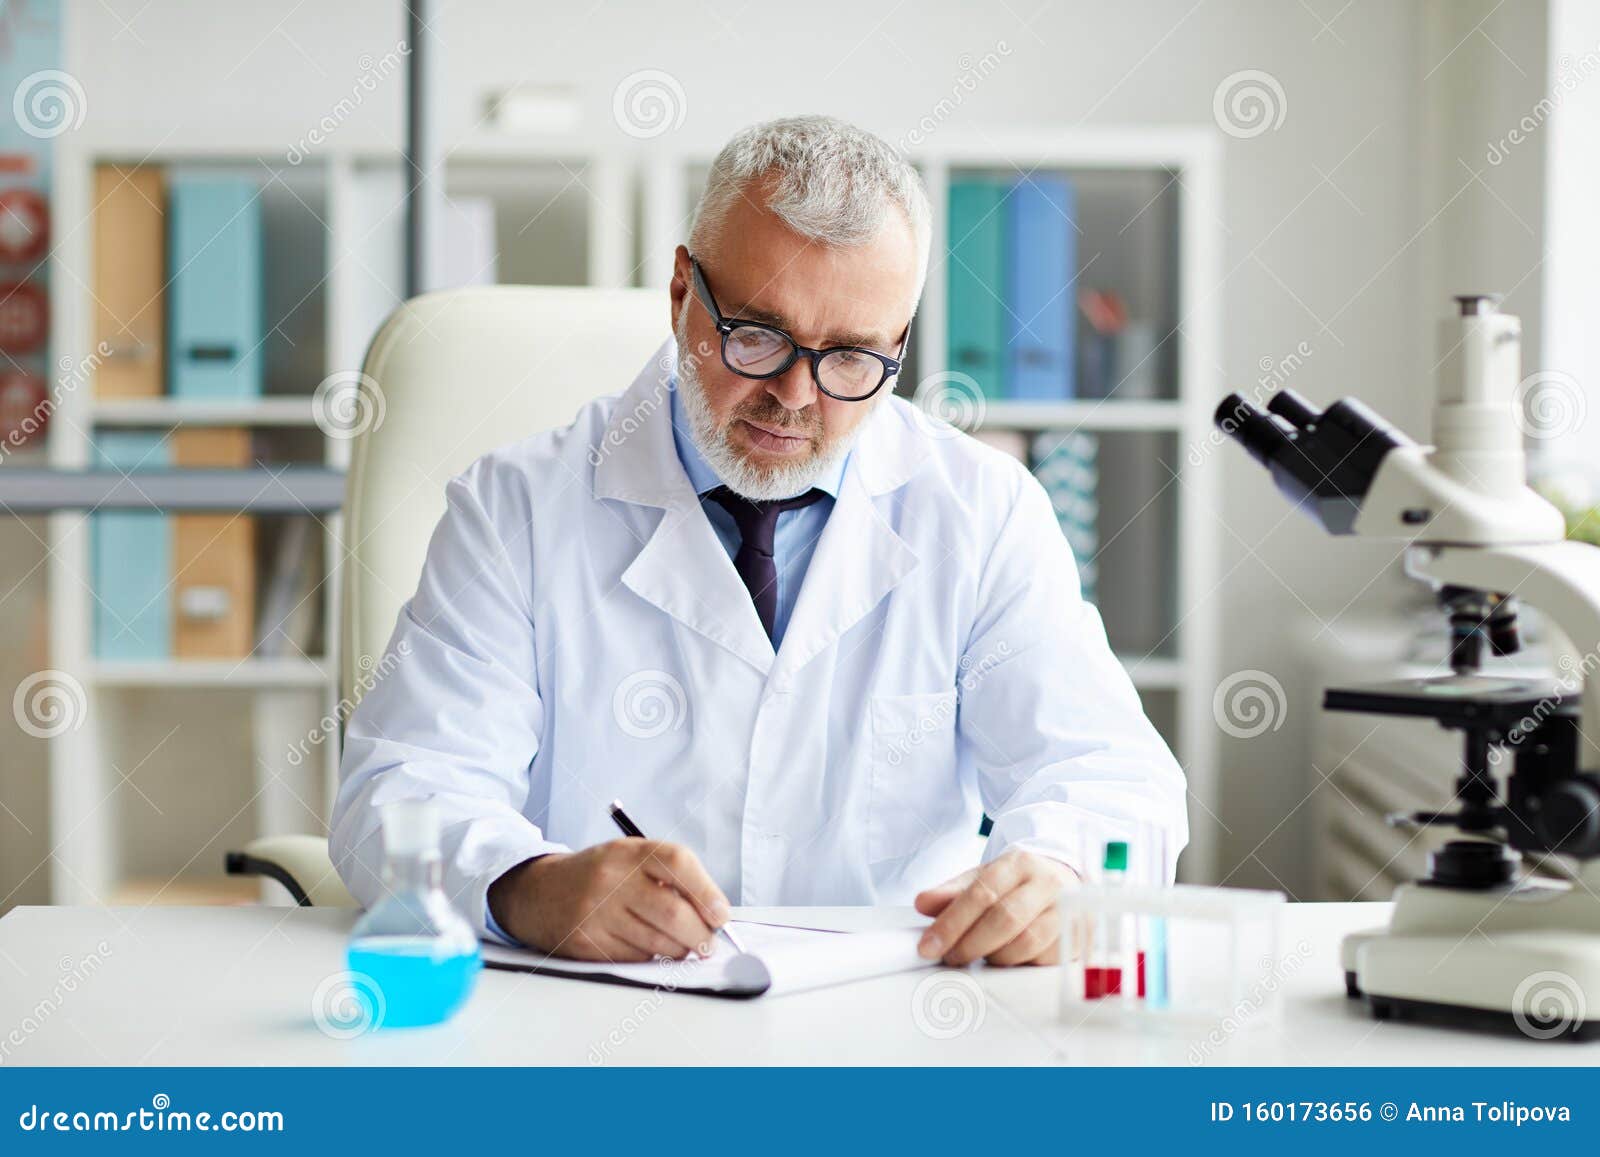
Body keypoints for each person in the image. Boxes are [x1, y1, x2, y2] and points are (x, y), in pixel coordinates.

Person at [331, 114, 1187, 969]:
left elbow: (1112, 777)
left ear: (899, 345)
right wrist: (527, 884)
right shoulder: (513, 510)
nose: (795, 395)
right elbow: (402, 787)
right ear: (680, 295)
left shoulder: (983, 512)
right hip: (597, 1014)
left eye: (850, 356)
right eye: (758, 335)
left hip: (887, 1028)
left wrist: (1060, 869)